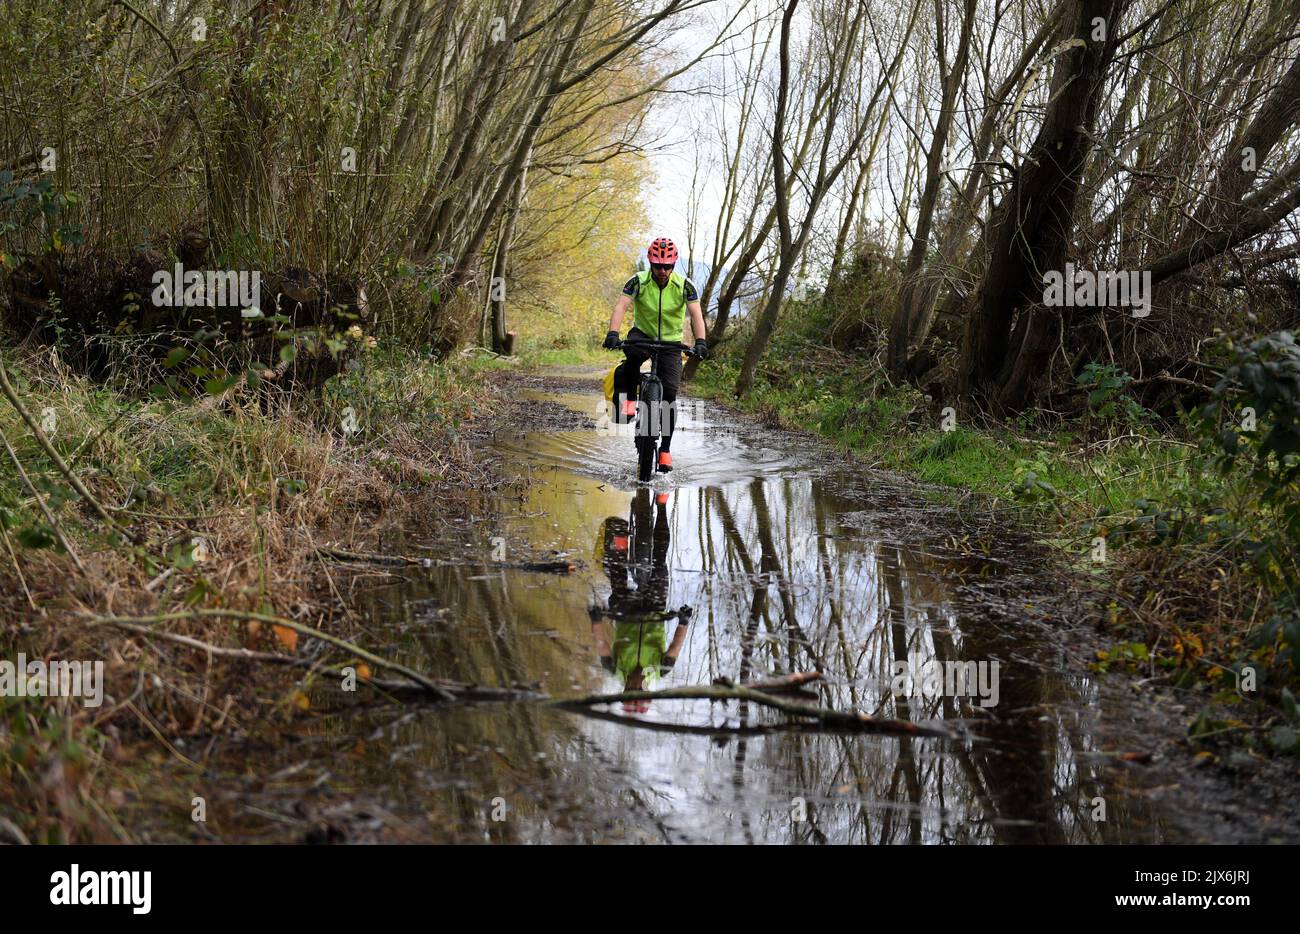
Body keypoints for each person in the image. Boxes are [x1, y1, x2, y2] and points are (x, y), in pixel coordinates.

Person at [602, 237, 708, 473]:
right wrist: (613, 333)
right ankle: (628, 401)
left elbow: (696, 315)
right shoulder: (637, 281)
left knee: (670, 395)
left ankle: (665, 450)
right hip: (642, 335)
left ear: (674, 264)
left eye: (667, 266)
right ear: (650, 263)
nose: (662, 271)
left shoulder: (685, 285)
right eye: (657, 266)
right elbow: (621, 306)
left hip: (670, 341)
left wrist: (700, 342)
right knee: (630, 361)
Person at [589, 489, 692, 712]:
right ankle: (662, 507)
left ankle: (619, 538)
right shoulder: (660, 670)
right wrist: (683, 621)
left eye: (629, 689)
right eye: (638, 689)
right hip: (654, 610)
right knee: (660, 566)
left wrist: (596, 620)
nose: (633, 684)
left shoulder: (614, 669)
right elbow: (676, 646)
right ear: (646, 689)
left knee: (617, 576)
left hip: (626, 612)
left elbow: (602, 645)